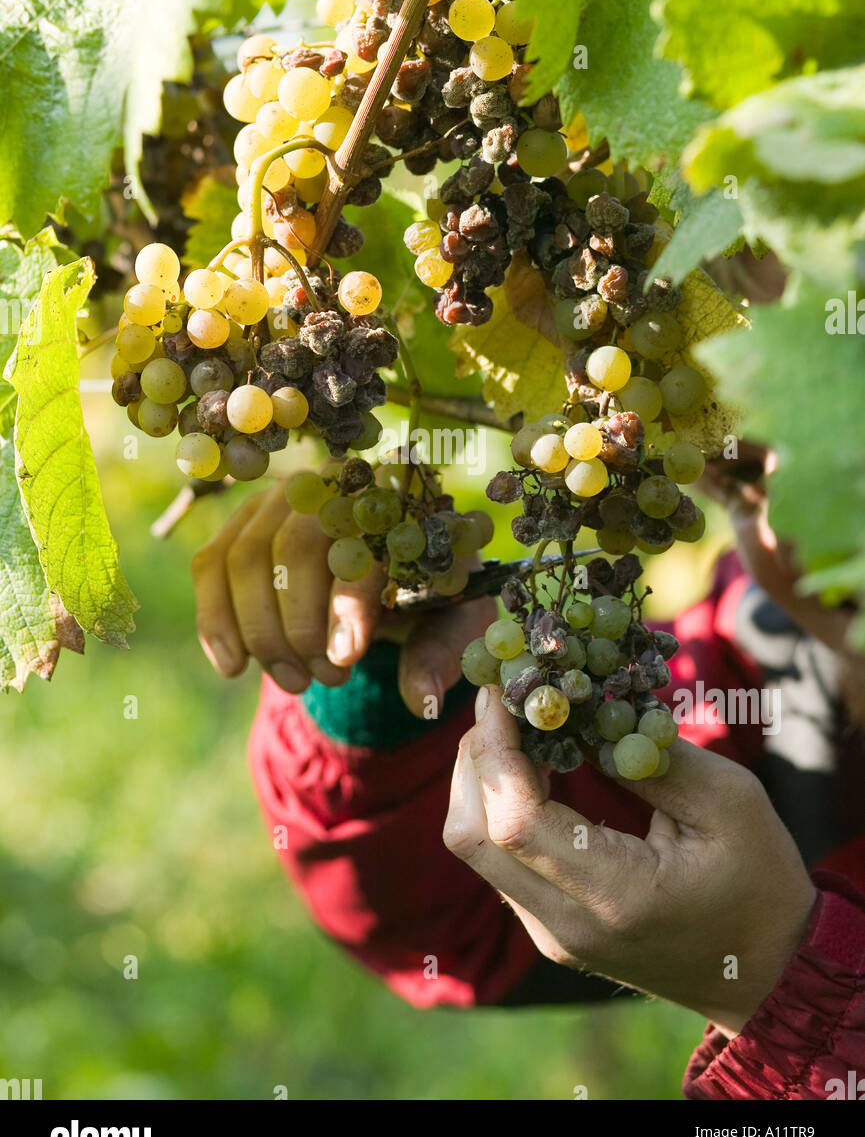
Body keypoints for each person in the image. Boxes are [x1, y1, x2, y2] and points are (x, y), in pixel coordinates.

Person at [191, 454, 865, 1100]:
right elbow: (444, 919)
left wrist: (781, 985)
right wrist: (383, 687)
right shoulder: (759, 678)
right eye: (749, 478)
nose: (803, 536)